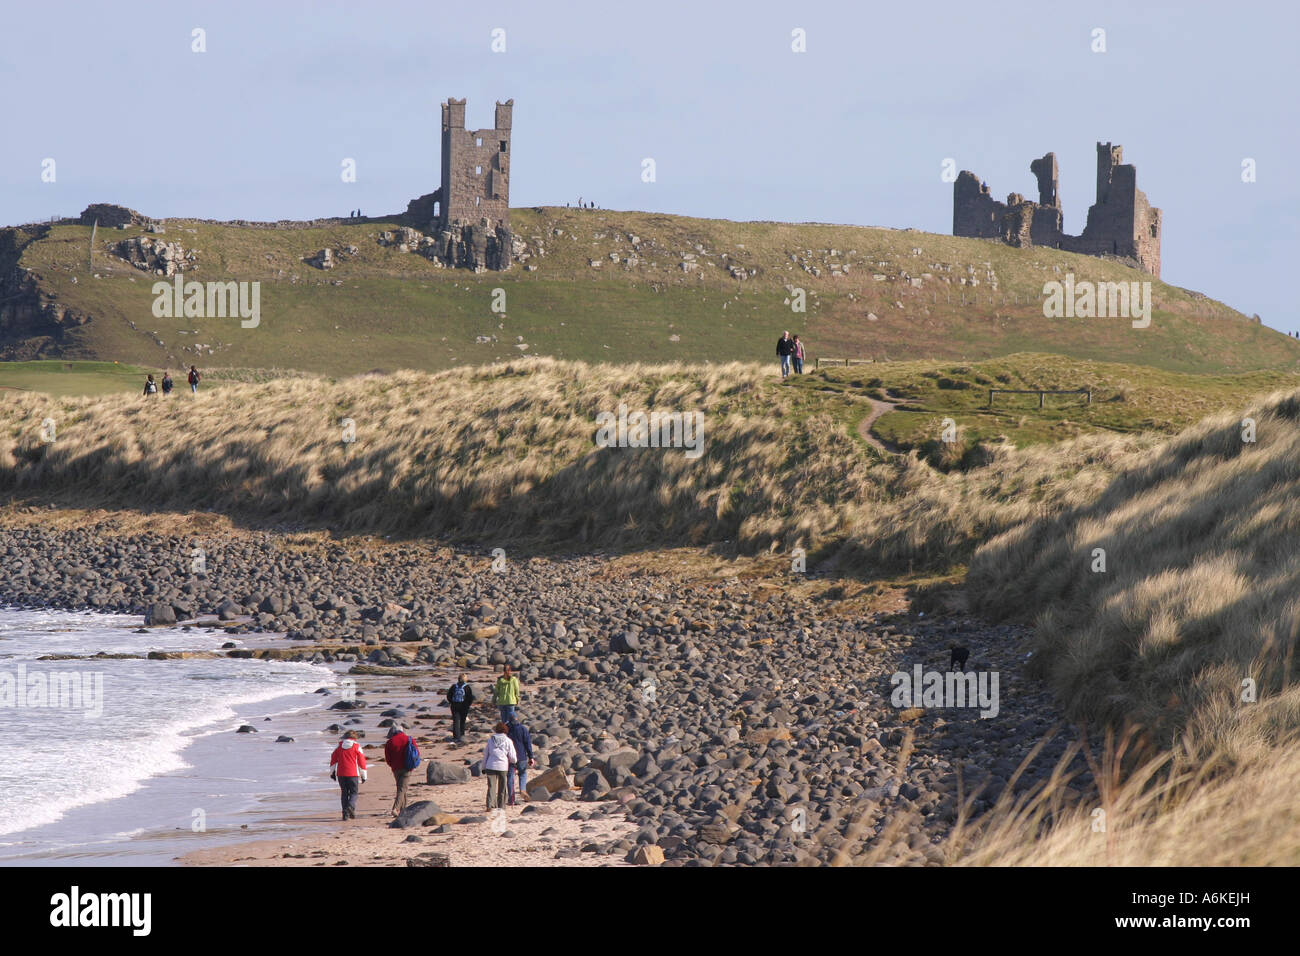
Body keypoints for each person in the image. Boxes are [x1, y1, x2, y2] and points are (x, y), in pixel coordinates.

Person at [329, 730, 367, 821]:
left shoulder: (339, 746)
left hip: (341, 774)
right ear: (355, 738)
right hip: (353, 774)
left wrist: (332, 772)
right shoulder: (356, 747)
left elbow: (333, 759)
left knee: (344, 794)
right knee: (354, 793)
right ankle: (350, 806)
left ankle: (345, 815)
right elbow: (362, 762)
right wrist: (364, 775)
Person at [482, 722, 517, 811]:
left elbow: (486, 754)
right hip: (502, 766)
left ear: (496, 730)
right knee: (502, 787)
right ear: (505, 730)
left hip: (490, 765)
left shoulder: (490, 740)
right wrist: (514, 762)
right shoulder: (508, 741)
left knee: (491, 787)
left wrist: (483, 767)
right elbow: (512, 756)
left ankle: (490, 805)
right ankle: (501, 805)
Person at [383, 722, 414, 817]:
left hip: (395, 768)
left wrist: (391, 765)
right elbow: (415, 752)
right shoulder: (409, 739)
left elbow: (387, 757)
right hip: (407, 767)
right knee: (402, 789)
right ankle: (395, 809)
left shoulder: (390, 742)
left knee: (401, 788)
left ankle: (403, 809)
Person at [505, 715, 535, 806]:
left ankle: (511, 798)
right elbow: (528, 744)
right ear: (517, 720)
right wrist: (531, 757)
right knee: (522, 774)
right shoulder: (523, 729)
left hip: (510, 757)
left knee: (510, 776)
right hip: (522, 756)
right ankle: (522, 789)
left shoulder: (506, 730)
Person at [445, 674, 474, 742]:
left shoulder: (454, 686)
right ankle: (462, 735)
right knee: (462, 721)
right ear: (465, 679)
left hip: (454, 706)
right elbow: (470, 698)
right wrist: (467, 705)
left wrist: (452, 702)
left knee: (456, 721)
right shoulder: (467, 687)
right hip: (464, 706)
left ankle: (456, 736)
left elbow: (449, 696)